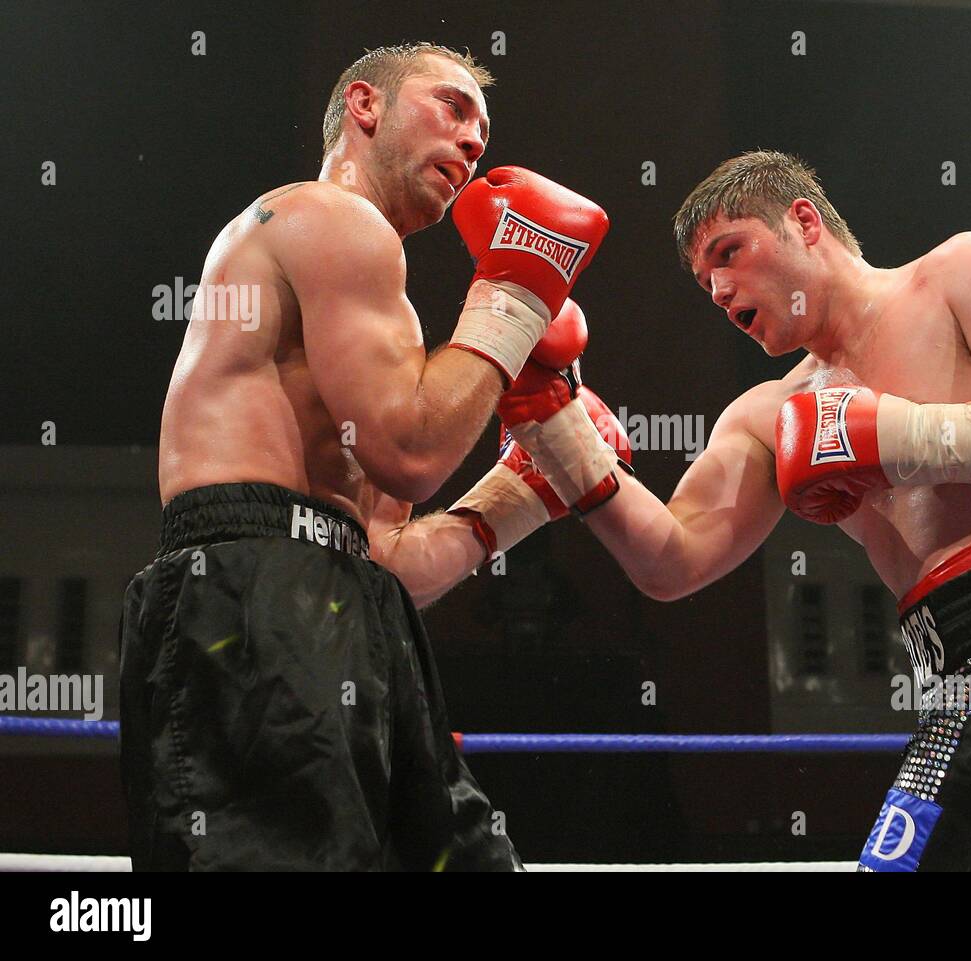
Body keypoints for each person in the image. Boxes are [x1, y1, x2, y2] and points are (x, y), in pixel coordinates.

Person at [493, 150, 971, 871]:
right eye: (706, 282)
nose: (722, 289)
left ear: (804, 222)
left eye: (730, 252)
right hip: (956, 673)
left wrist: (900, 436)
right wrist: (560, 428)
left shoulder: (958, 275)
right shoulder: (770, 415)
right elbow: (672, 562)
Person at [118, 42, 609, 870]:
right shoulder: (321, 218)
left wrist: (521, 493)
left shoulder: (378, 312)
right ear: (364, 105)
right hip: (246, 598)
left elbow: (385, 559)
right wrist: (517, 296)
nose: (471, 142)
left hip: (332, 598)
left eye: (481, 134)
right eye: (451, 107)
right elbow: (411, 450)